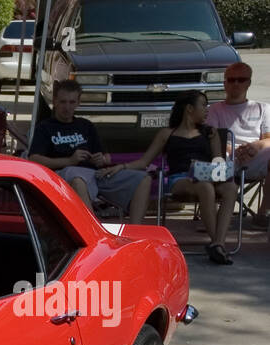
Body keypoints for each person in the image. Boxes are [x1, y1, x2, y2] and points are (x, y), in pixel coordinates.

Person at [127, 90, 239, 264]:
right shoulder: (167, 133)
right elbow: (144, 162)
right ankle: (217, 245)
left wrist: (214, 165)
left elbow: (218, 161)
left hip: (207, 175)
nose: (207, 109)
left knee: (231, 188)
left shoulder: (210, 132)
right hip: (180, 179)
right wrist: (121, 166)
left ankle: (218, 243)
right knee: (204, 186)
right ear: (189, 108)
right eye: (203, 105)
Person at [28, 79, 153, 224]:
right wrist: (69, 160)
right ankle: (93, 230)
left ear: (78, 103)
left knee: (143, 179)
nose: (67, 107)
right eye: (63, 102)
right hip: (63, 174)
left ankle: (135, 231)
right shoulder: (45, 127)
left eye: (71, 102)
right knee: (77, 178)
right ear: (55, 101)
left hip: (94, 174)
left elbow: (101, 156)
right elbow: (34, 159)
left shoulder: (86, 125)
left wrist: (100, 159)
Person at [206, 62, 270, 229]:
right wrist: (234, 149)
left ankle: (263, 213)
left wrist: (255, 146)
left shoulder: (262, 108)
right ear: (224, 83)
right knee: (213, 157)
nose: (236, 83)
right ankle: (214, 215)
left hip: (255, 155)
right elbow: (212, 138)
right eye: (231, 79)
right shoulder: (214, 109)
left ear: (248, 82)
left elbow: (268, 138)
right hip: (226, 155)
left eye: (241, 80)